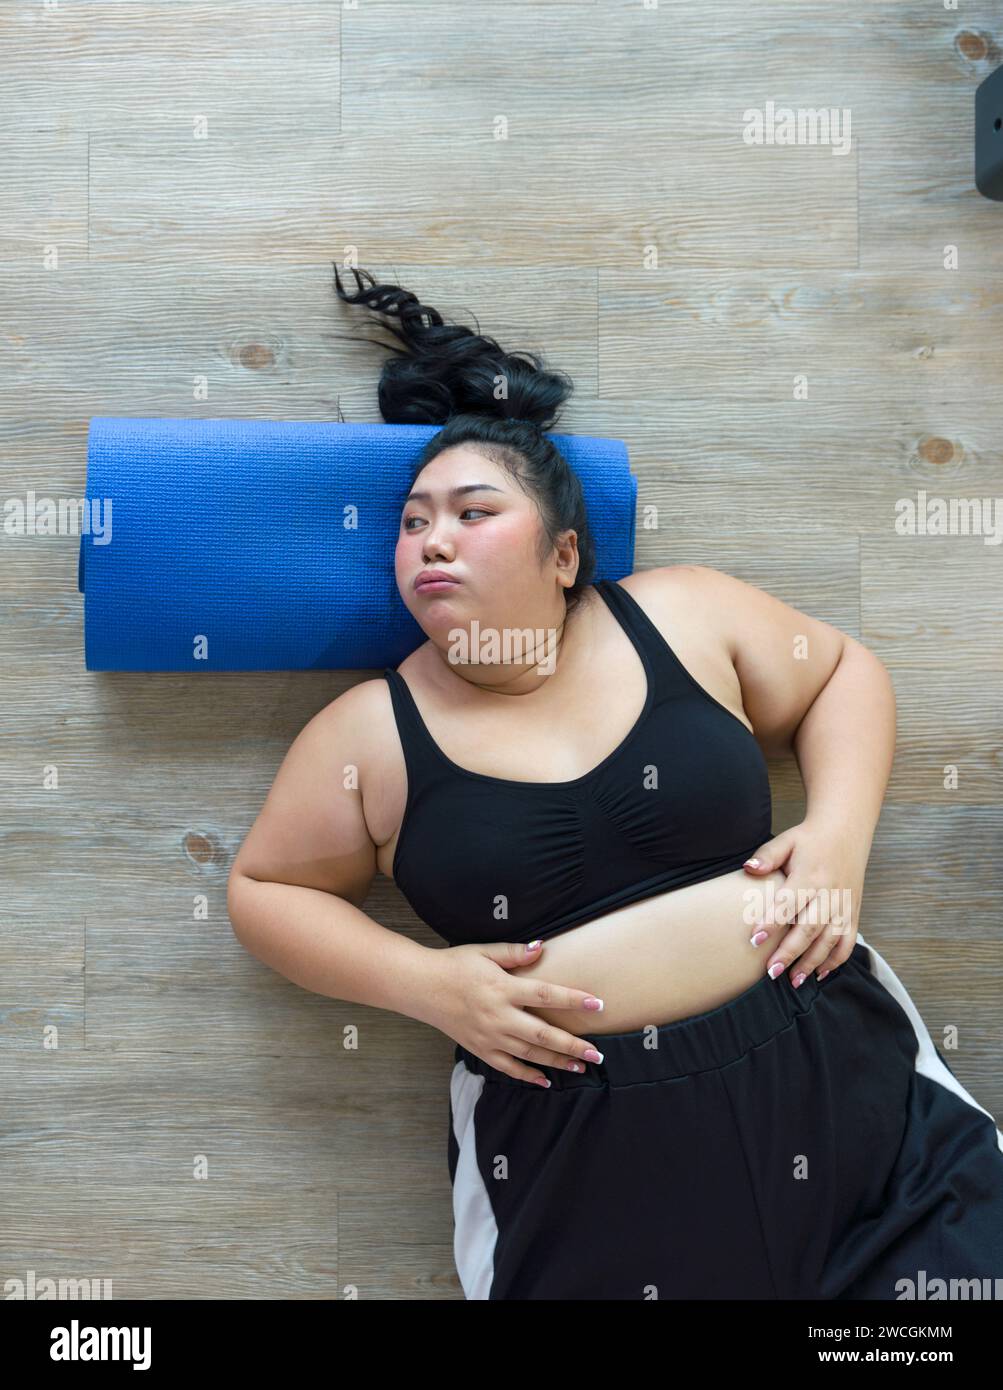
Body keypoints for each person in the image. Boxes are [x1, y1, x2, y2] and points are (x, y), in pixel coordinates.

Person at [227, 266, 1003, 1300]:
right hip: (584, 1161)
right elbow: (264, 891)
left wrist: (838, 836)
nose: (431, 540)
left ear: (563, 554)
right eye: (412, 524)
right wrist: (425, 985)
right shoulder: (369, 732)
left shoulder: (683, 614)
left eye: (469, 511)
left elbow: (843, 675)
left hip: (836, 1083)